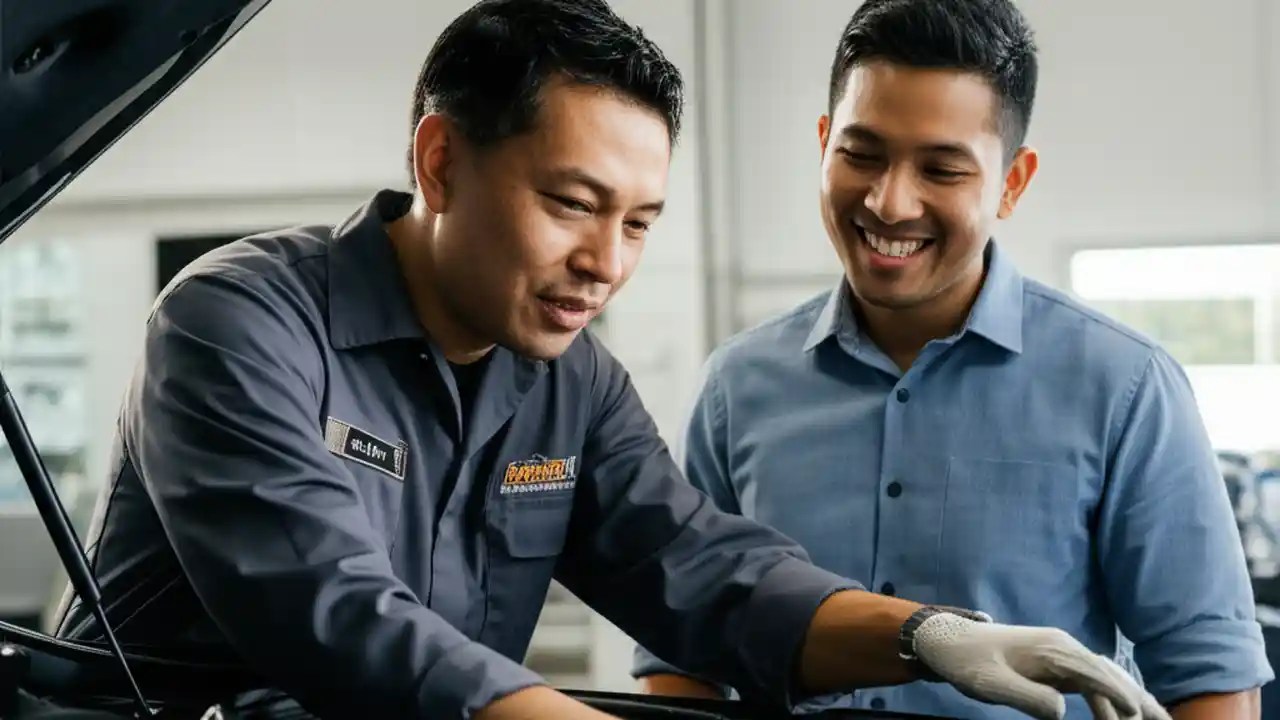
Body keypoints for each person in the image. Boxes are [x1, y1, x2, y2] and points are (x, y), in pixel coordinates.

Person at [52, 1, 1171, 719]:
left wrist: (929, 636)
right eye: (571, 204)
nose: (605, 262)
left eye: (638, 222)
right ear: (440, 163)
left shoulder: (570, 382)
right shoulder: (238, 321)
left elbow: (699, 567)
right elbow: (331, 609)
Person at [632, 0, 1274, 718]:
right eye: (861, 155)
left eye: (941, 169)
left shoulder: (1125, 387)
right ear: (823, 145)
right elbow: (683, 647)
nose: (889, 202)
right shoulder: (737, 387)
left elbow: (1209, 672)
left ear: (1012, 183)